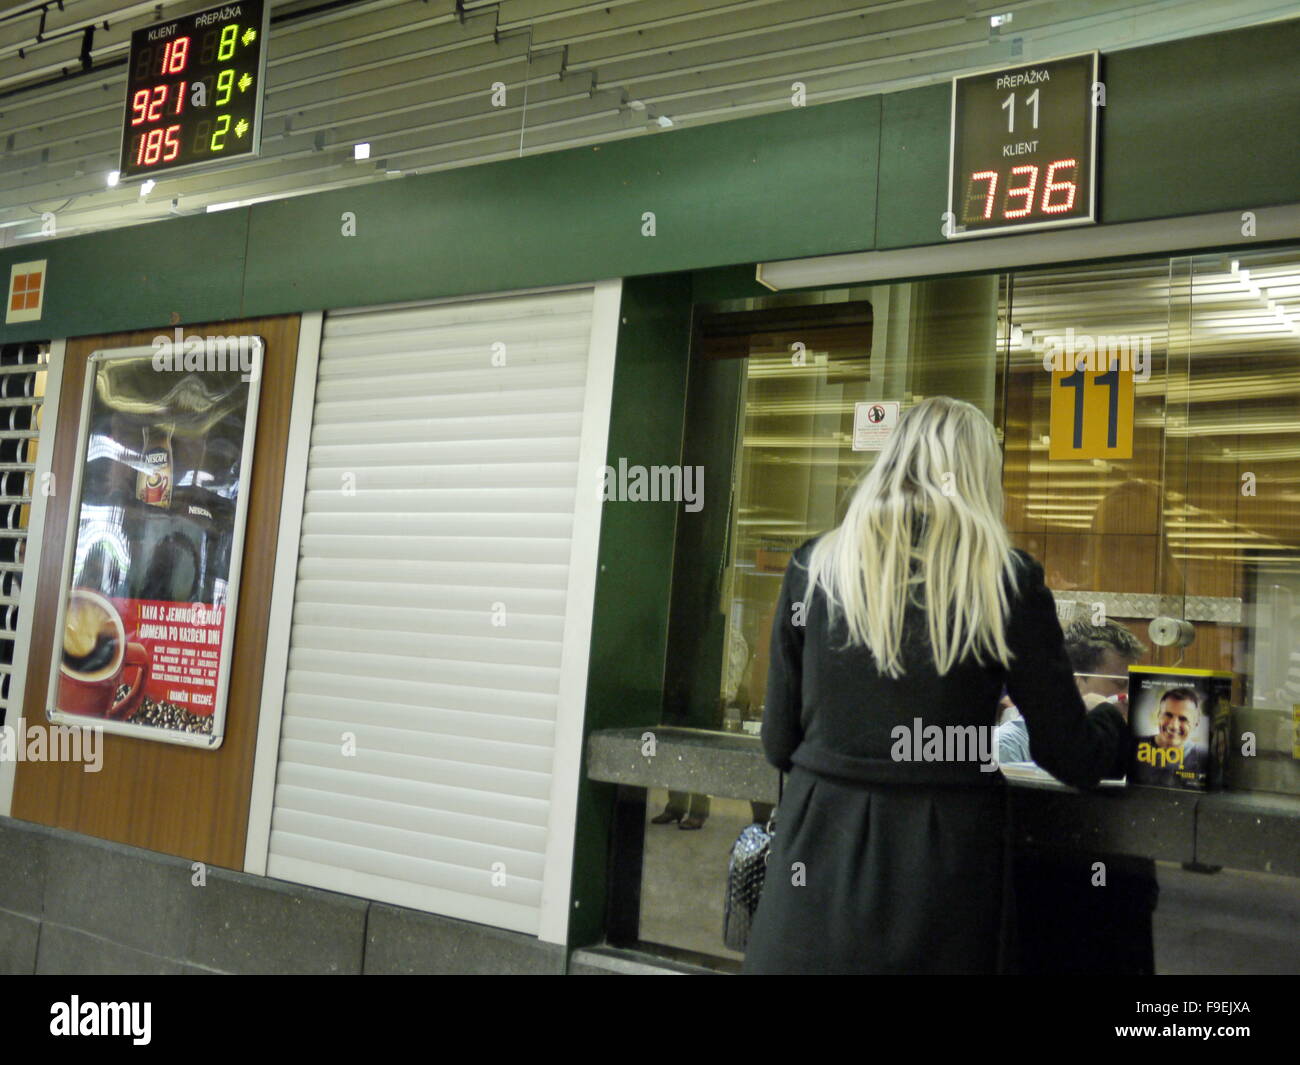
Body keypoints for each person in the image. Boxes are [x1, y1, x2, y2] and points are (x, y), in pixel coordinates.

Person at [742, 396, 1129, 974]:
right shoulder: (1005, 579)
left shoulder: (814, 568)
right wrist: (1114, 720)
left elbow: (777, 742)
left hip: (814, 866)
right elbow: (1068, 753)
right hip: (943, 876)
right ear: (976, 475)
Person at [997, 619, 1159, 974]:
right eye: (1118, 684)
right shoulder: (1013, 740)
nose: (1127, 696)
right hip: (1049, 900)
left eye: (1134, 685)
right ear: (1076, 681)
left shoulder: (1131, 735)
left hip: (1117, 899)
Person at [1131, 688, 1207, 787]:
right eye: (1168, 715)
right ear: (1158, 716)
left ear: (1196, 723)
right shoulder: (1133, 746)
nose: (1173, 726)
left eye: (1183, 719)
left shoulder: (1204, 757)